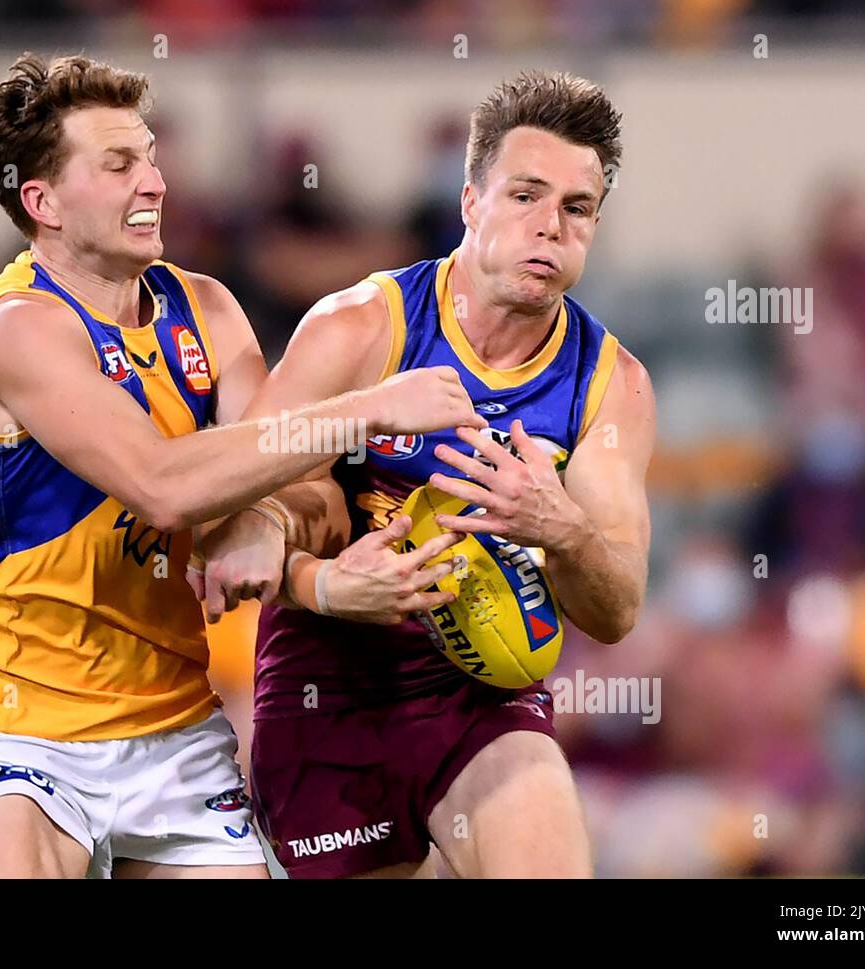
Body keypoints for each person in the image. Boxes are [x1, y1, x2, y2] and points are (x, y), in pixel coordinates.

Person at [0, 53, 481, 879]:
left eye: (150, 157)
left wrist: (265, 524)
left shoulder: (207, 309)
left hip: (172, 729)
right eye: (119, 165)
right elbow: (164, 485)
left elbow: (307, 488)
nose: (155, 183)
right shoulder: (17, 329)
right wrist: (365, 407)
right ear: (44, 203)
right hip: (14, 724)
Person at [194, 70, 656, 878]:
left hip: (483, 695)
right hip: (326, 689)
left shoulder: (610, 384)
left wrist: (561, 527)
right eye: (525, 196)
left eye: (576, 209)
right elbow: (230, 509)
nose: (550, 227)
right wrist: (320, 576)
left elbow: (615, 609)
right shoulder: (361, 327)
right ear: (471, 203)